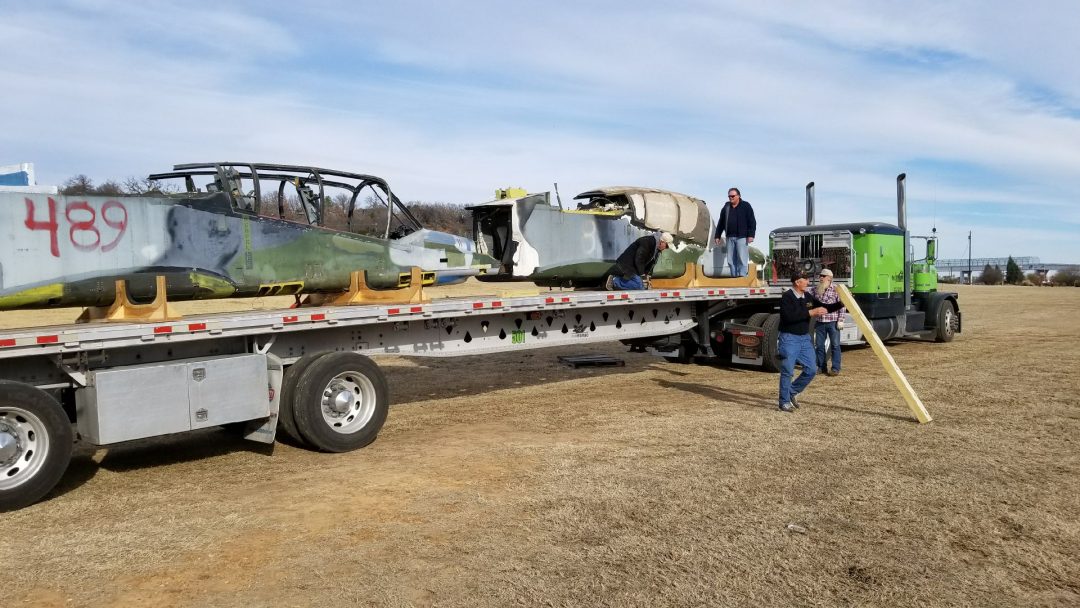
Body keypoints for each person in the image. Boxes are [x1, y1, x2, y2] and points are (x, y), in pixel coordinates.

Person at [777, 269, 845, 412]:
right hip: (789, 338)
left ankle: (792, 391)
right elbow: (788, 317)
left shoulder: (807, 296)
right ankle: (784, 402)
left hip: (804, 339)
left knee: (812, 369)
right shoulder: (787, 297)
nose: (808, 282)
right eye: (805, 279)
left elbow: (824, 308)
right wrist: (810, 313)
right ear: (797, 282)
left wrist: (842, 303)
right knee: (788, 371)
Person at [713, 188, 756, 277]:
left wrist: (751, 235)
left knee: (741, 258)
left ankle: (742, 276)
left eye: (732, 196)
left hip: (742, 237)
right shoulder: (726, 207)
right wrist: (717, 235)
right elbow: (721, 222)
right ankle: (734, 276)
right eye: (729, 196)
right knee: (731, 260)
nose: (730, 198)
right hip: (730, 237)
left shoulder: (746, 206)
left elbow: (752, 221)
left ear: (738, 196)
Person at [810, 268, 845, 376]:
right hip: (820, 322)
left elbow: (842, 305)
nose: (820, 277)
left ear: (829, 278)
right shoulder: (815, 289)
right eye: (820, 275)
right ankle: (821, 367)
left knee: (835, 345)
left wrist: (841, 320)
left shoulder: (836, 289)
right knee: (819, 345)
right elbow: (805, 294)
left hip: (833, 322)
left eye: (823, 276)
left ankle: (835, 368)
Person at [608, 232, 672, 290]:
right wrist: (643, 276)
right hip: (626, 265)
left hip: (635, 267)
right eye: (666, 246)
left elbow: (651, 265)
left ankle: (619, 282)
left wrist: (648, 278)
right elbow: (639, 259)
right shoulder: (647, 241)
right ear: (662, 241)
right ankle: (614, 281)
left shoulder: (657, 249)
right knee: (639, 285)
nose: (665, 249)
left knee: (644, 286)